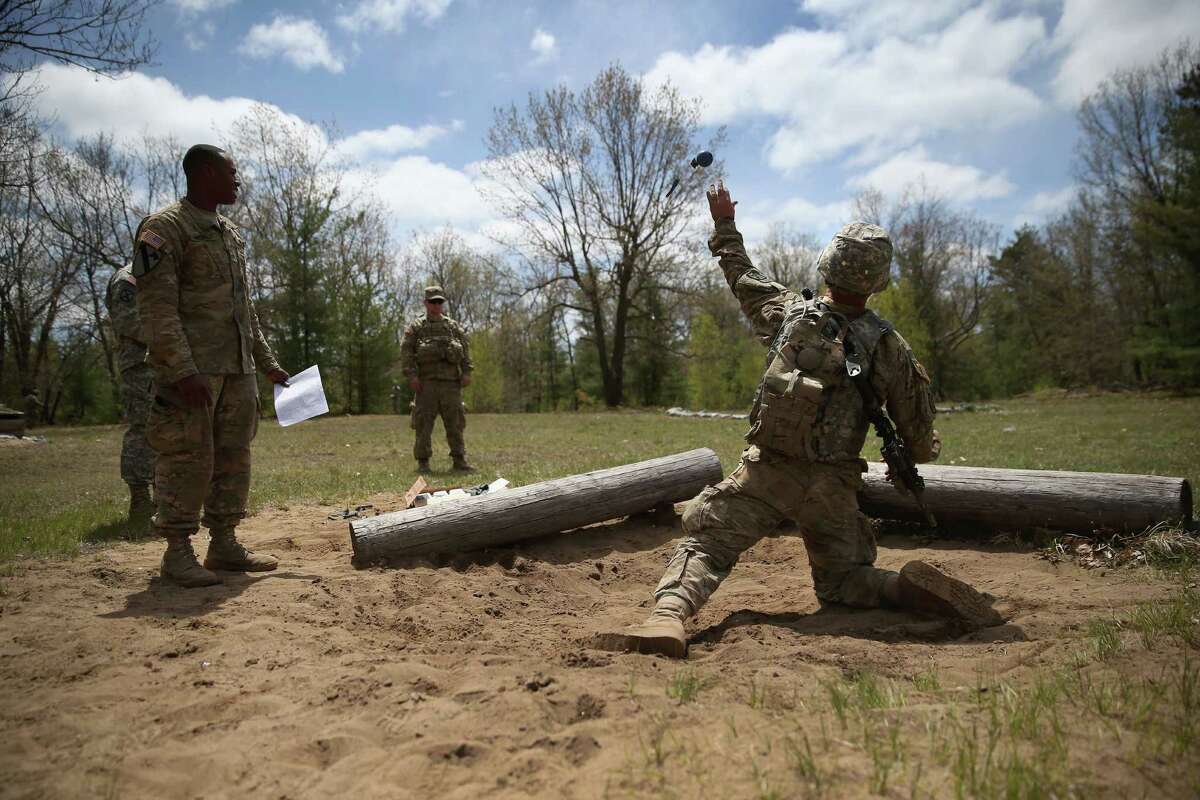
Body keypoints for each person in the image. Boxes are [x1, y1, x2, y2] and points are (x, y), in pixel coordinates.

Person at [599, 180, 1003, 658]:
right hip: (833, 487)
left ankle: (667, 617)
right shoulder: (892, 348)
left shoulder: (790, 314)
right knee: (844, 580)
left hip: (767, 472)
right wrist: (919, 450)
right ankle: (898, 589)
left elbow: (741, 275)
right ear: (876, 281)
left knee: (708, 548)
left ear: (827, 265)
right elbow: (915, 440)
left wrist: (724, 223)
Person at [133, 143, 290, 588]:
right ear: (205, 172)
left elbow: (246, 311)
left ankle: (224, 544)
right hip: (193, 374)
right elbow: (157, 309)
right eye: (231, 171)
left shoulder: (231, 233)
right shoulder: (164, 228)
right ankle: (178, 553)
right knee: (187, 456)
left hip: (236, 371)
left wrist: (268, 366)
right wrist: (183, 370)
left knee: (233, 457)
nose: (237, 180)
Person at [399, 286, 474, 473]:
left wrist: (466, 372)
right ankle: (423, 463)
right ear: (425, 303)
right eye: (432, 301)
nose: (436, 305)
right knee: (423, 425)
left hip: (451, 385)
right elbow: (406, 352)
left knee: (455, 423)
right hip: (426, 385)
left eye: (439, 301)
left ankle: (459, 460)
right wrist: (412, 376)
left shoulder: (453, 327)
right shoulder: (417, 328)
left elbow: (465, 351)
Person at [104, 263, 156, 535]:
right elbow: (129, 322)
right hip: (140, 366)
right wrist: (171, 338)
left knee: (167, 430)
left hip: (166, 365)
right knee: (143, 429)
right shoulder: (127, 279)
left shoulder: (159, 275)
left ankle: (163, 498)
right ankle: (140, 498)